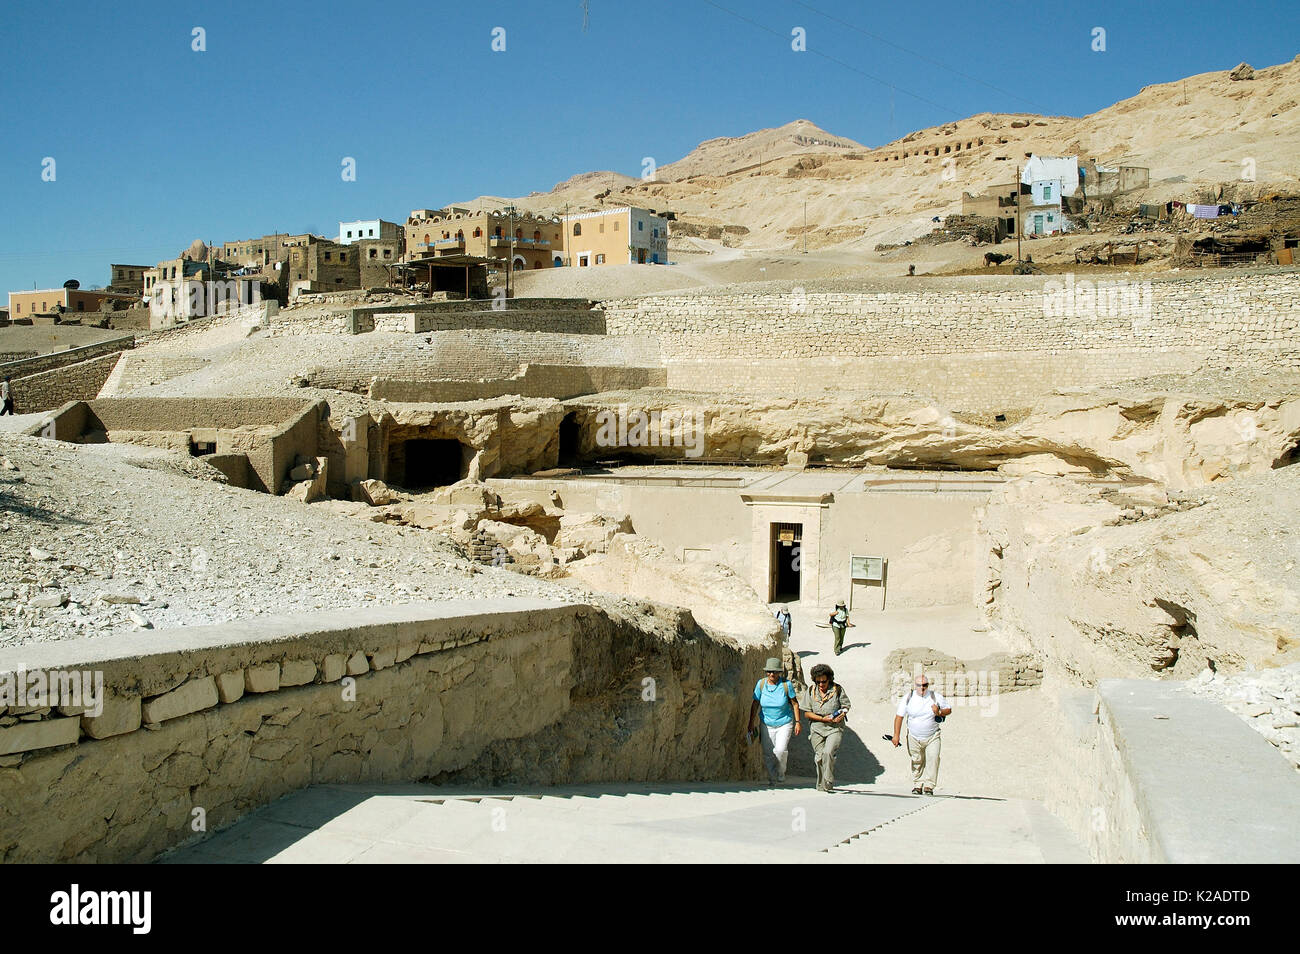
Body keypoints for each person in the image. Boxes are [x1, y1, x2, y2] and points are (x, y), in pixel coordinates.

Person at [891, 673, 952, 795]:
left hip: (933, 735)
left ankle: (929, 786)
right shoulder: (908, 698)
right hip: (913, 736)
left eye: (924, 685)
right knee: (916, 760)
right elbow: (899, 717)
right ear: (915, 685)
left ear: (928, 685)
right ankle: (918, 784)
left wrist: (939, 711)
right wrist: (896, 735)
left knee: (933, 758)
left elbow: (948, 710)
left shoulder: (935, 697)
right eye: (919, 685)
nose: (922, 688)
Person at [747, 657, 801, 786]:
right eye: (769, 671)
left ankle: (781, 773)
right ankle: (772, 778)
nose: (772, 674)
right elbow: (755, 704)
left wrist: (798, 722)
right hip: (766, 723)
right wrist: (751, 722)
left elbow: (794, 704)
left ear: (779, 672)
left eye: (775, 672)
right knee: (768, 753)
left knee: (780, 750)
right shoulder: (761, 684)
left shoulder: (786, 685)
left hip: (784, 722)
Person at [803, 663, 851, 792]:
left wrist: (841, 715)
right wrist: (822, 718)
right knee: (819, 758)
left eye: (823, 681)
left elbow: (846, 706)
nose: (821, 685)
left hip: (834, 728)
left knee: (828, 752)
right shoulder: (811, 691)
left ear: (829, 679)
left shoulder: (837, 689)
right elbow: (807, 713)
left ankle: (828, 780)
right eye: (818, 682)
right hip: (817, 728)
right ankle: (821, 785)